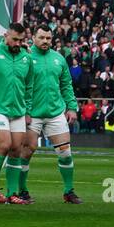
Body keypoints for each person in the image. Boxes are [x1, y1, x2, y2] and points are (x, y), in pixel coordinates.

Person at [25, 25, 81, 204]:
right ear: (33, 37)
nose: (45, 41)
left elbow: (66, 84)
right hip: (31, 113)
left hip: (56, 112)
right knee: (26, 152)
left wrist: (71, 107)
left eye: (48, 38)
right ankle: (21, 190)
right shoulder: (25, 57)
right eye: (41, 37)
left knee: (65, 152)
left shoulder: (58, 59)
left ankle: (68, 191)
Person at [0, 23, 33, 205]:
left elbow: (29, 86)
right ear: (5, 35)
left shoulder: (26, 58)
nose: (17, 43)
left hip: (17, 111)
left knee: (16, 150)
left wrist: (27, 109)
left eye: (21, 40)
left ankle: (12, 193)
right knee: (4, 145)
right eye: (14, 39)